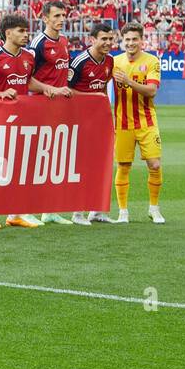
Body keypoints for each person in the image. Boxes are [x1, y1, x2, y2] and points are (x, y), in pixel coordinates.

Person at [0, 13, 42, 229]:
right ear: (8, 32)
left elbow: (28, 81)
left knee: (19, 164)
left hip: (22, 118)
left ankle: (15, 214)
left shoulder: (29, 57)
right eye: (21, 31)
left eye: (26, 30)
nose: (26, 35)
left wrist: (49, 89)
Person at [98, 22, 164, 224]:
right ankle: (123, 212)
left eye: (135, 39)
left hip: (147, 122)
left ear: (142, 40)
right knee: (123, 166)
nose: (131, 43)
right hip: (122, 123)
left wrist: (128, 81)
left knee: (154, 164)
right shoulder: (114, 62)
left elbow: (152, 91)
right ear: (122, 41)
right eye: (127, 39)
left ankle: (154, 209)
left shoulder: (152, 61)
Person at [26, 0, 75, 225]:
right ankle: (25, 209)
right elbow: (27, 79)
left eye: (63, 15)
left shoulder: (64, 41)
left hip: (59, 109)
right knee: (35, 159)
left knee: (54, 159)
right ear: (45, 18)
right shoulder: (38, 44)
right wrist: (52, 89)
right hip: (39, 108)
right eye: (56, 16)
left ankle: (50, 210)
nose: (61, 19)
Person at [67, 23, 117, 226]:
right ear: (92, 39)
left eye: (110, 39)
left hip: (99, 120)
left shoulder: (110, 61)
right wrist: (91, 96)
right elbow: (66, 90)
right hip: (79, 121)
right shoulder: (79, 61)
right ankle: (77, 213)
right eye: (103, 38)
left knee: (102, 164)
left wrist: (104, 108)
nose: (107, 42)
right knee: (82, 166)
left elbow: (104, 87)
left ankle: (97, 211)